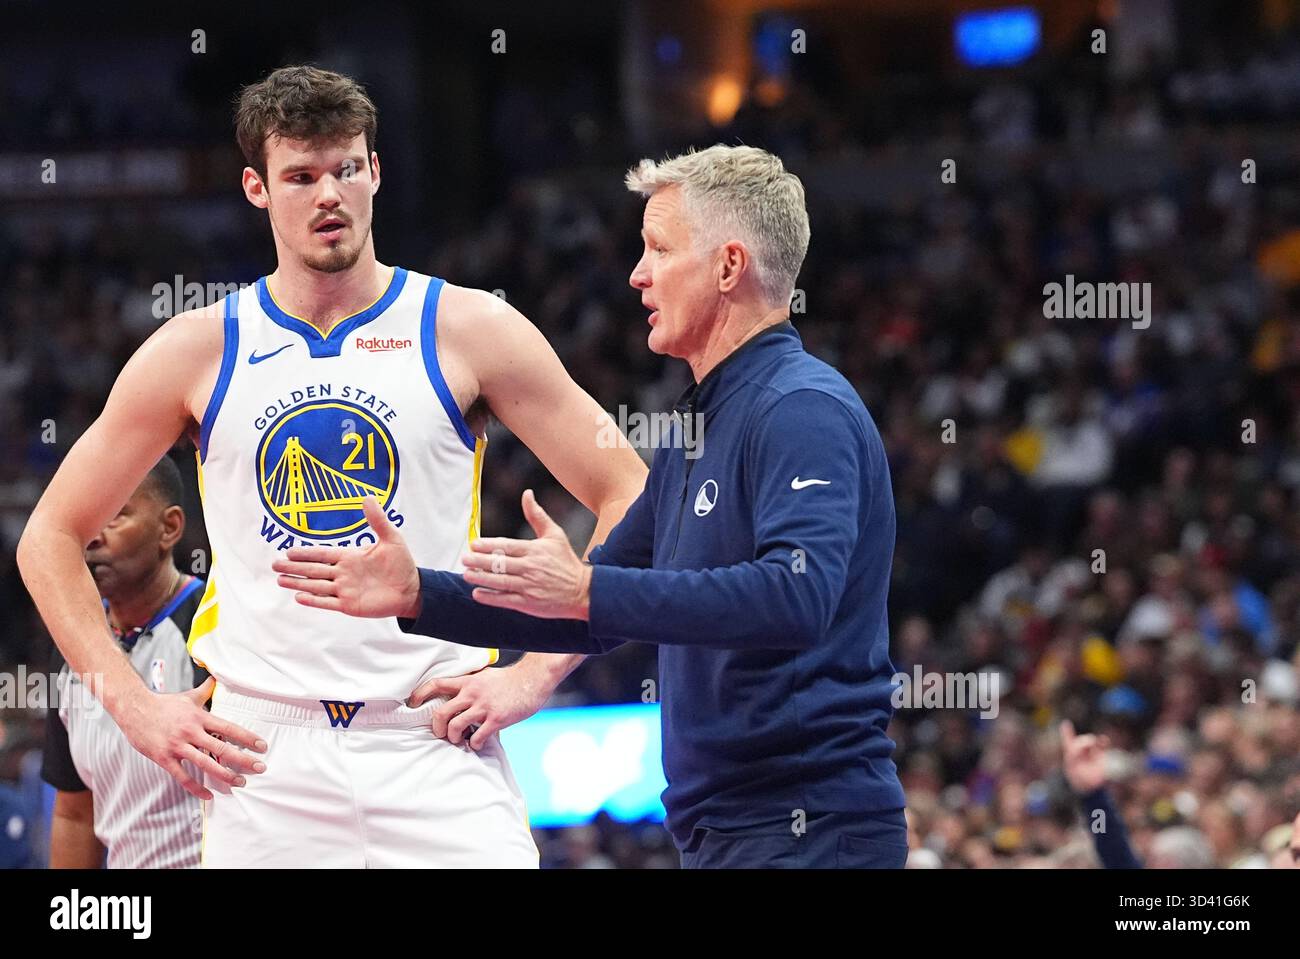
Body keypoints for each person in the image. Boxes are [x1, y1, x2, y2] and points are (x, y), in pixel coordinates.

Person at [17, 65, 646, 868]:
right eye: (302, 175)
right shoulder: (197, 348)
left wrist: (537, 674)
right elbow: (49, 538)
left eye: (347, 169)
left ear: (375, 172)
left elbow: (629, 490)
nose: (329, 195)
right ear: (257, 187)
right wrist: (135, 706)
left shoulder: (470, 327)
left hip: (433, 738)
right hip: (266, 754)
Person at [274, 144, 909, 868]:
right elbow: (584, 607)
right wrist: (421, 593)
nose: (637, 274)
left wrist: (586, 587)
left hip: (811, 824)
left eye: (659, 249)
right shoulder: (703, 425)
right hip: (727, 827)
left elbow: (797, 595)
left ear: (729, 267)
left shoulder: (802, 408)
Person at [42, 457, 208, 868]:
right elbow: (74, 812)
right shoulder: (70, 644)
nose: (91, 538)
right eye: (83, 521)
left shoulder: (213, 626)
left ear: (169, 528)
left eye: (113, 515)